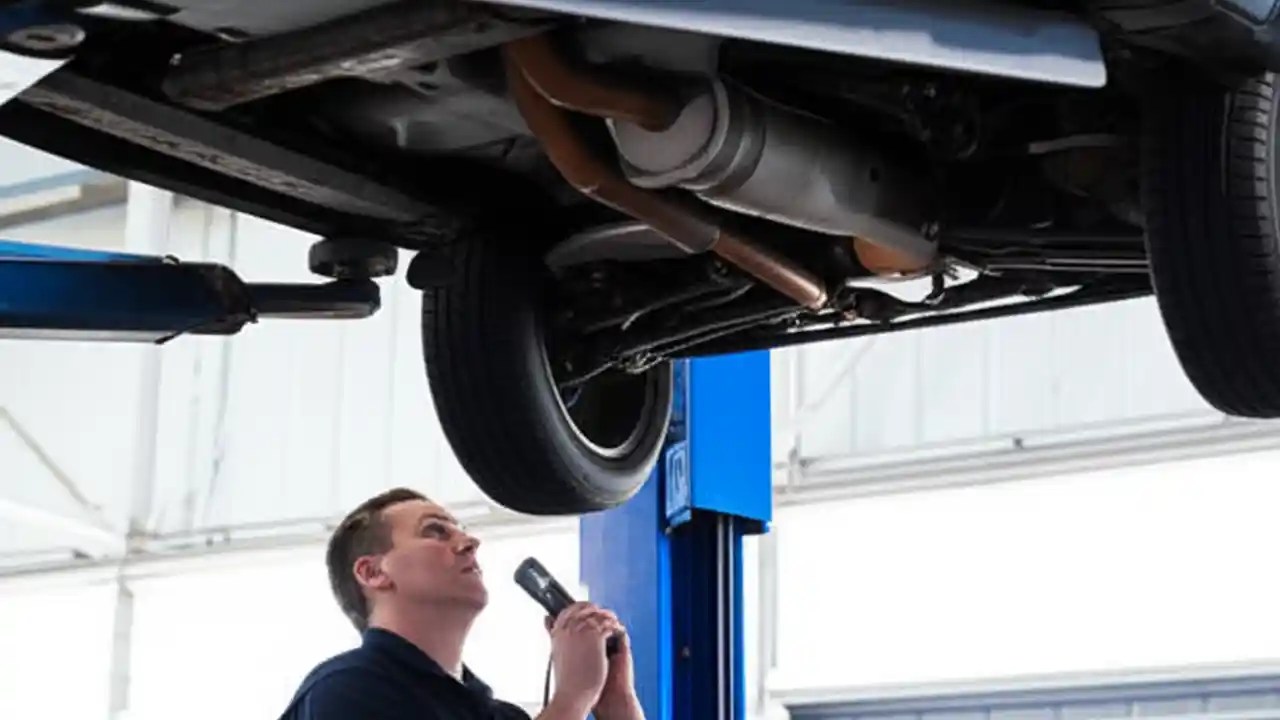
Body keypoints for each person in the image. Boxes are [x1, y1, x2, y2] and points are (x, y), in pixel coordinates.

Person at [278, 487, 644, 720]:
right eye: (435, 531)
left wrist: (618, 706)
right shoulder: (346, 691)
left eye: (463, 530)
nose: (470, 542)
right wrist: (572, 698)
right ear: (373, 572)